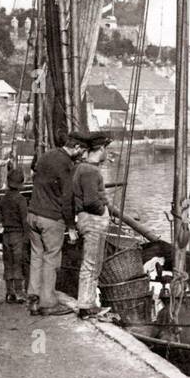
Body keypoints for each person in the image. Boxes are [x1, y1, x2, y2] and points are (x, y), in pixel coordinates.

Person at [26, 132, 84, 317]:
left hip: (33, 214)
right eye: (82, 150)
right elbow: (67, 199)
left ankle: (33, 298)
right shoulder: (66, 164)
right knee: (52, 259)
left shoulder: (46, 156)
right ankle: (48, 303)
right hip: (51, 219)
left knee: (36, 256)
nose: (82, 154)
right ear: (76, 148)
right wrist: (71, 227)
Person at [72, 132, 112, 319]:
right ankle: (86, 306)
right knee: (91, 264)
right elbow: (90, 201)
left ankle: (88, 303)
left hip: (86, 219)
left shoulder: (82, 168)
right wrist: (103, 210)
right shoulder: (90, 171)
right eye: (106, 148)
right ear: (101, 149)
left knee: (92, 263)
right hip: (93, 220)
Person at [0, 167, 31, 304]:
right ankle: (19, 292)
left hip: (6, 234)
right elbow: (25, 220)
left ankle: (9, 292)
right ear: (22, 184)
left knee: (8, 263)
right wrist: (27, 237)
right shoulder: (21, 200)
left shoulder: (4, 198)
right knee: (19, 263)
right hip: (18, 235)